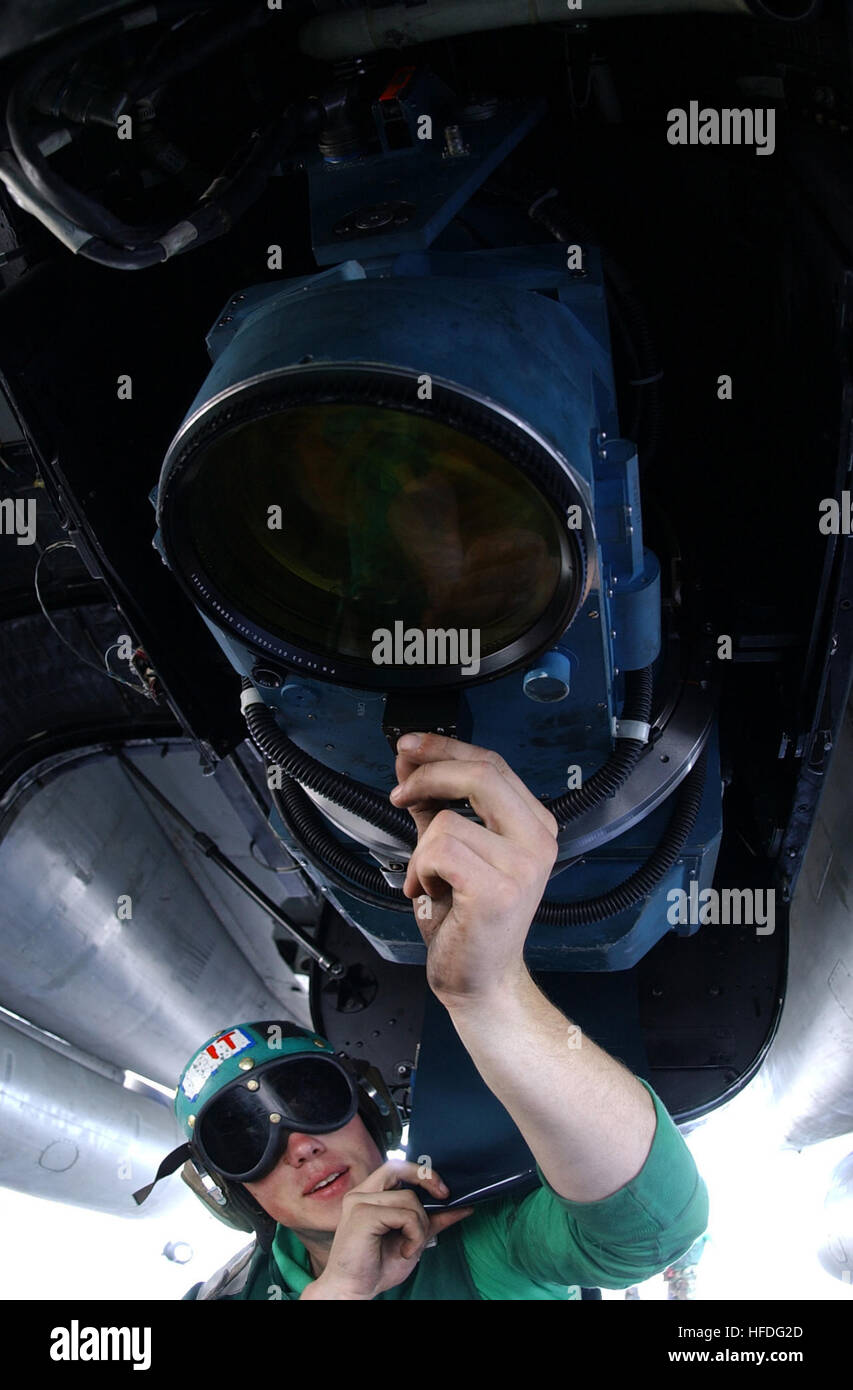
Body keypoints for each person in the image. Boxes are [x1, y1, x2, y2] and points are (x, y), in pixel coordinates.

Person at [138, 732, 709, 1300]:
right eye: (240, 1137)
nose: (299, 1145)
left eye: (310, 1098)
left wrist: (489, 995)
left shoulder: (468, 1231)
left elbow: (647, 1235)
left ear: (367, 1109)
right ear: (228, 1192)